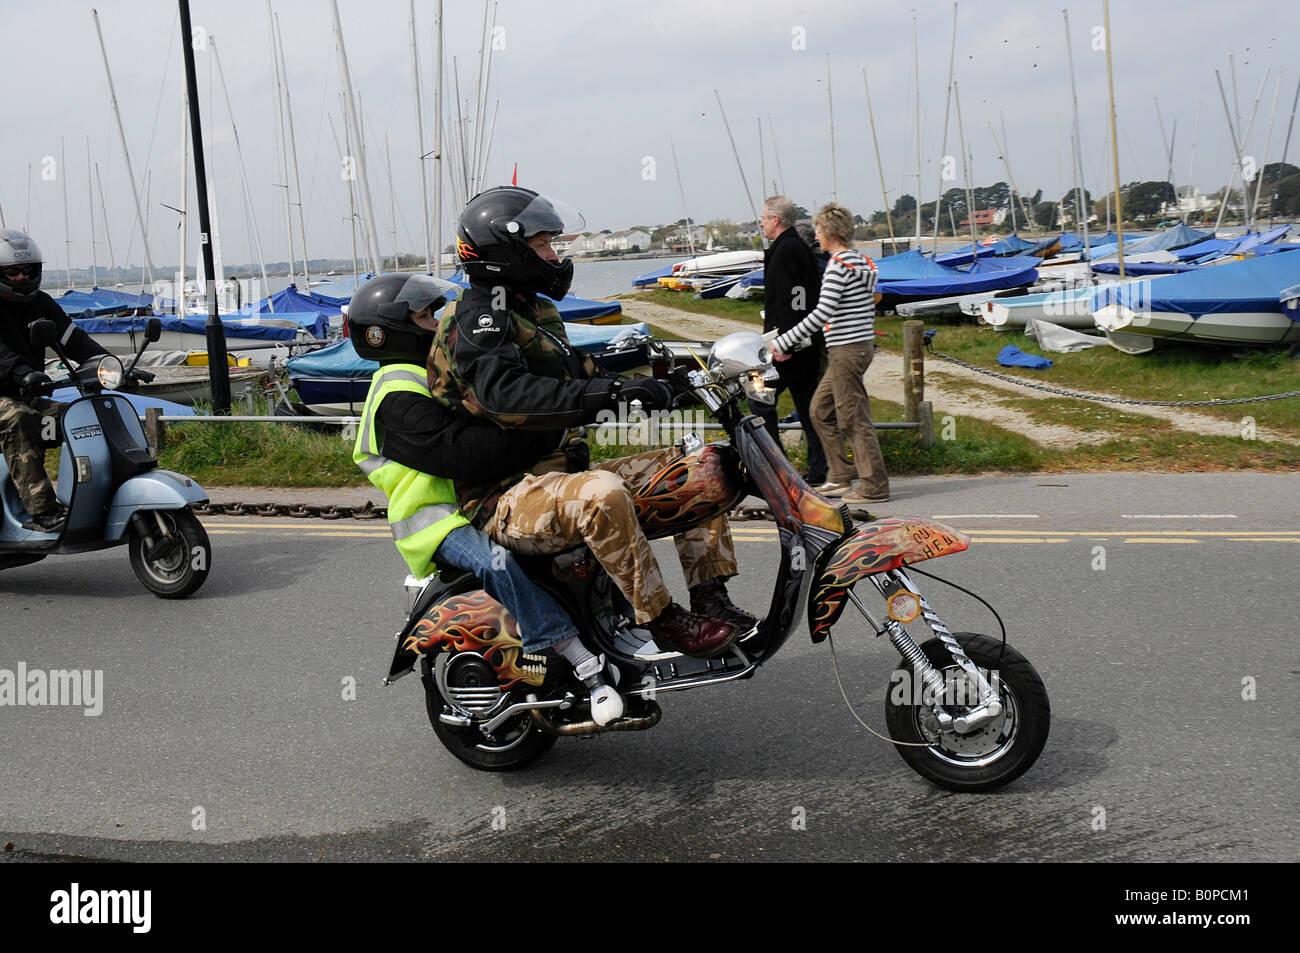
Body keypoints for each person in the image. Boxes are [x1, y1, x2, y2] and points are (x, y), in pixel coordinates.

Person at [428, 185, 756, 659]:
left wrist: (671, 386)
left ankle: (711, 596)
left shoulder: (534, 310)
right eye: (542, 244)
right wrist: (612, 393)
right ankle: (661, 620)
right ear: (506, 251)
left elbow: (583, 377)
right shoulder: (479, 317)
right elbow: (504, 397)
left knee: (697, 464)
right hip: (505, 495)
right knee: (603, 492)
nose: (554, 255)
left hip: (560, 477)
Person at [347, 271, 623, 724]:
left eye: (436, 311)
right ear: (388, 331)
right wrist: (544, 429)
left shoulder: (426, 373)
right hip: (435, 522)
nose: (436, 321)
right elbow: (460, 453)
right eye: (423, 315)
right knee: (499, 563)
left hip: (469, 503)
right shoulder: (396, 392)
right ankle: (581, 663)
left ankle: (615, 629)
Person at [769, 203, 889, 506]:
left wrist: (785, 341)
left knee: (853, 419)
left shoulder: (838, 265)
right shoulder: (862, 261)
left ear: (831, 232)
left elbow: (822, 312)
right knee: (819, 411)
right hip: (856, 347)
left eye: (819, 230)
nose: (816, 236)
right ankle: (839, 474)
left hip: (846, 350)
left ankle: (874, 485)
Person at [0, 229, 109, 533]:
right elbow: (2, 357)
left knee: (81, 416)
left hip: (27, 391)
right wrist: (23, 373)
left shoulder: (41, 304)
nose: (22, 277)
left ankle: (99, 493)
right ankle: (42, 511)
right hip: (9, 397)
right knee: (16, 416)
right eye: (12, 272)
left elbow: (74, 339)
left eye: (28, 270)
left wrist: (110, 365)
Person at [758, 195, 829, 485]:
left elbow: (794, 300)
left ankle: (777, 466)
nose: (760, 224)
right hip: (800, 344)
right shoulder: (794, 247)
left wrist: (784, 343)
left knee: (758, 396)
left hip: (789, 348)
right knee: (806, 405)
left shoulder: (786, 250)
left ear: (775, 220)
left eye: (763, 219)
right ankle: (819, 468)